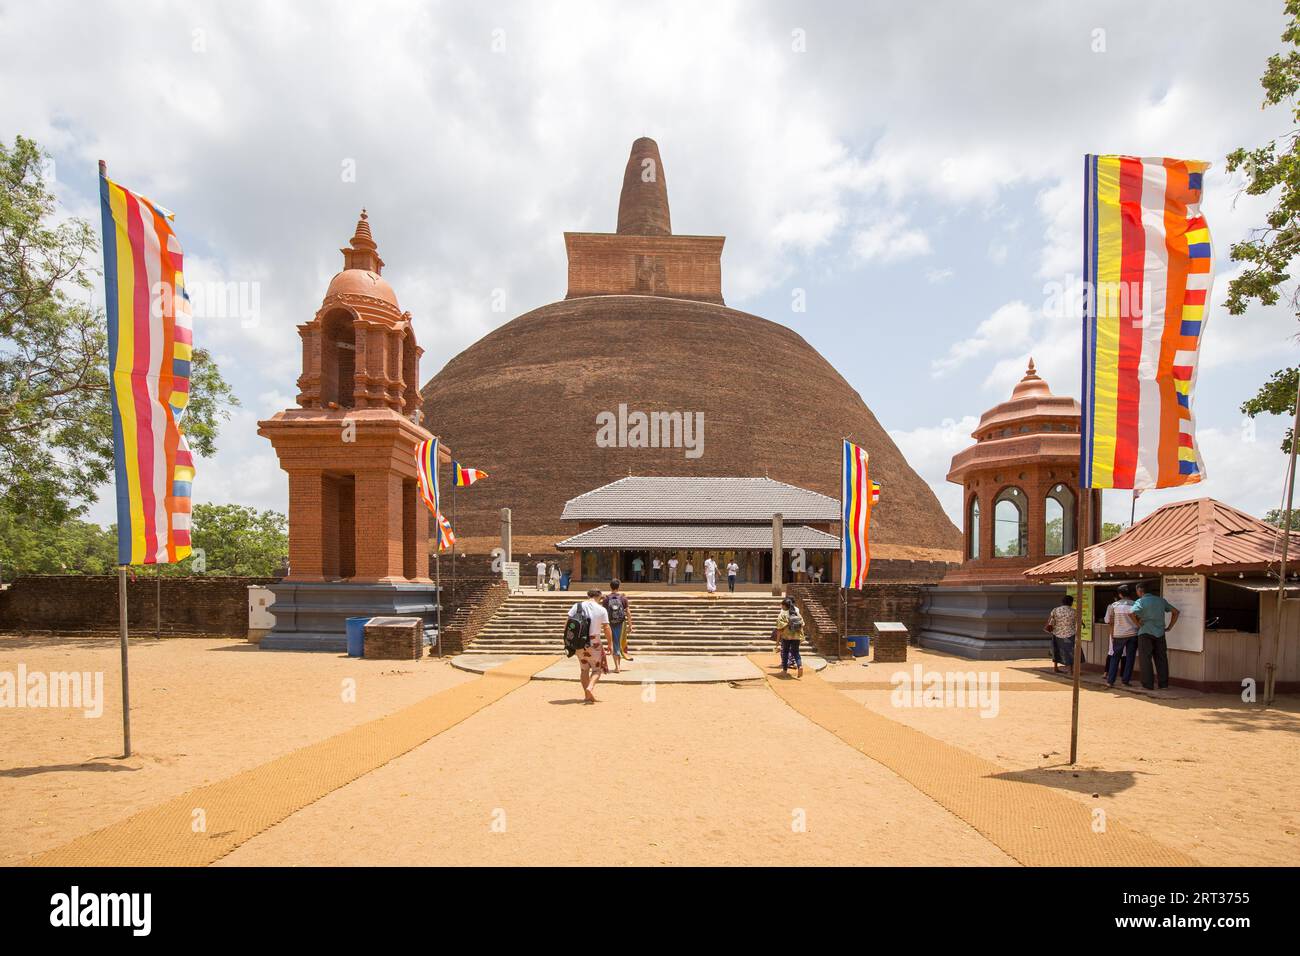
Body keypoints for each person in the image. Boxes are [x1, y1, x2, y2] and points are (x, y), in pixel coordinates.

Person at [1133, 582, 1179, 691]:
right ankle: (1163, 684)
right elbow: (1176, 612)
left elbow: (1131, 613)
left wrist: (1138, 624)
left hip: (1145, 632)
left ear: (1140, 590)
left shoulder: (1140, 601)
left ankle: (1148, 684)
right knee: (1161, 658)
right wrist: (1169, 627)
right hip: (1160, 633)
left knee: (1145, 659)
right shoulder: (1161, 601)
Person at [570, 588, 612, 703]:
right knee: (597, 669)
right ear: (599, 596)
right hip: (594, 643)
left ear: (588, 595)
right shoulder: (601, 609)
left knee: (584, 670)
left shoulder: (577, 606)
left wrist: (568, 641)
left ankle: (587, 695)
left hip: (579, 643)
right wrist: (610, 644)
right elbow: (606, 627)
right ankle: (590, 687)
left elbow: (568, 624)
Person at [1103, 584, 1139, 687]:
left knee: (1115, 657)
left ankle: (1110, 681)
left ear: (1120, 594)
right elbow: (1139, 618)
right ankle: (1125, 680)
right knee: (1130, 658)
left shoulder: (1113, 605)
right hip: (1133, 634)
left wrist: (1112, 634)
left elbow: (1110, 621)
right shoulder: (1135, 604)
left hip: (1118, 635)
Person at [603, 578, 633, 671]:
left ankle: (617, 666)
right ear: (618, 587)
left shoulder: (606, 598)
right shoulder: (623, 598)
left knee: (614, 643)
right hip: (621, 623)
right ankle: (618, 666)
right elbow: (628, 612)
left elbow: (603, 612)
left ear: (610, 587)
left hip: (610, 623)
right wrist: (630, 625)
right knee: (619, 643)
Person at [1044, 594, 1077, 674]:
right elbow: (1078, 622)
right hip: (1070, 634)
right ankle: (1070, 670)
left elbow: (1050, 621)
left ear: (1062, 602)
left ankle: (1055, 668)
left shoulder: (1055, 610)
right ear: (1071, 602)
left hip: (1057, 633)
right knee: (1070, 652)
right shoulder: (1074, 611)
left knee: (1056, 650)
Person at [775, 596, 805, 678]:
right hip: (796, 637)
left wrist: (777, 643)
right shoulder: (796, 613)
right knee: (796, 652)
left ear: (785, 606)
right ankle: (800, 666)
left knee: (785, 653)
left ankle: (784, 671)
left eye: (782, 605)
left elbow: (779, 628)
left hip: (786, 637)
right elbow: (802, 624)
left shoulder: (782, 614)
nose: (781, 607)